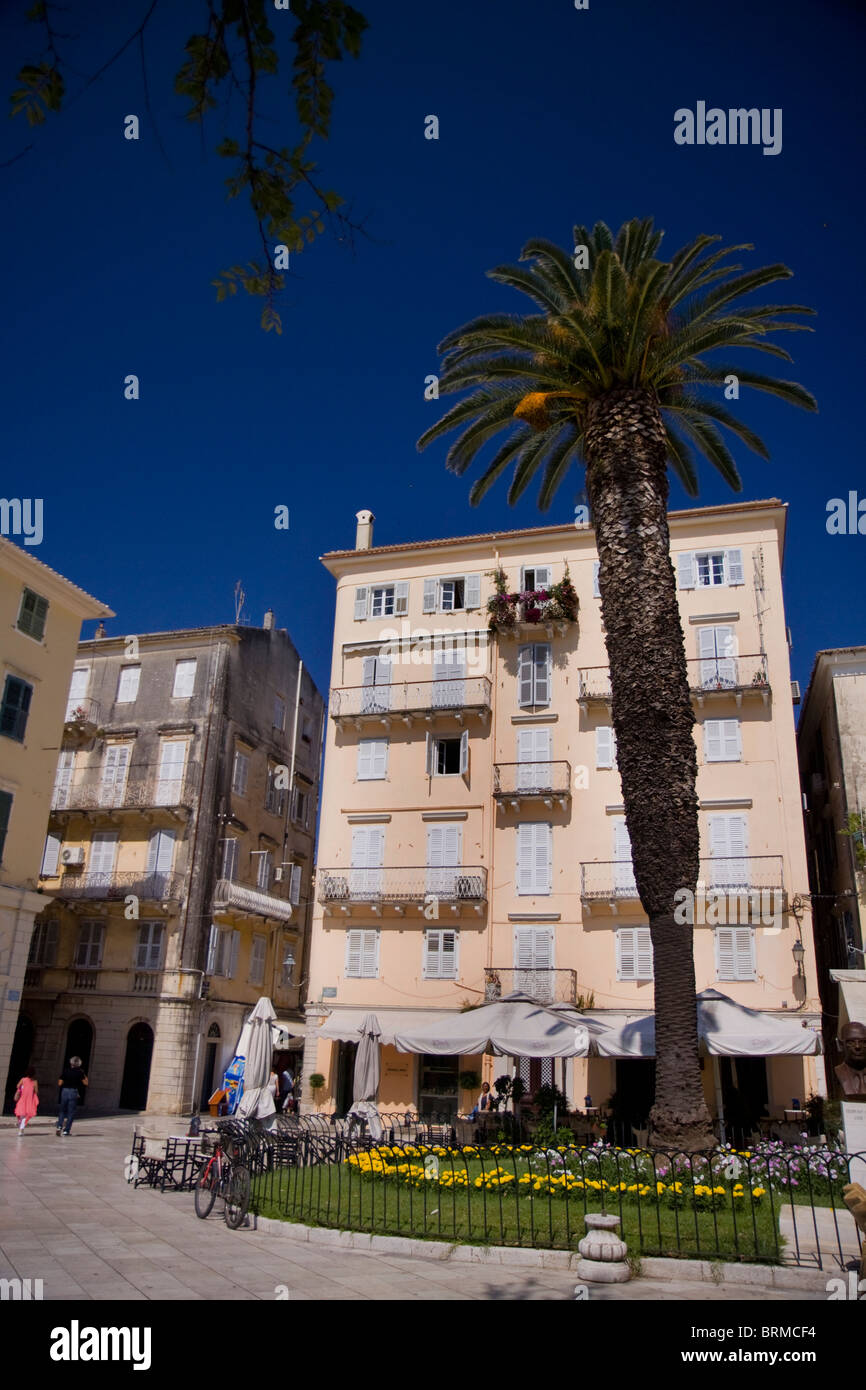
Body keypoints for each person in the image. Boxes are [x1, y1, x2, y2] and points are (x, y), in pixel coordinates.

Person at [56, 1056, 88, 1136]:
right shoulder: (80, 1072)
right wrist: (84, 1074)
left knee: (62, 1110)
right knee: (71, 1112)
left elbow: (59, 1083)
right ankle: (66, 1130)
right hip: (73, 1091)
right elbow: (86, 1083)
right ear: (79, 1064)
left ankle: (59, 1126)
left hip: (65, 1091)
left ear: (71, 1063)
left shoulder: (66, 1071)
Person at [14, 1068, 39, 1135]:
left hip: (22, 1099)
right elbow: (36, 1091)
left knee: (20, 1113)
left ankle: (20, 1127)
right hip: (29, 1100)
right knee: (25, 1116)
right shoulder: (35, 1082)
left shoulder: (23, 1079)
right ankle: (21, 1129)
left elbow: (17, 1086)